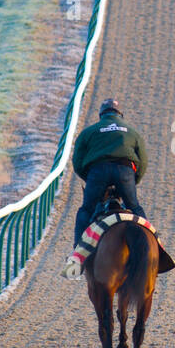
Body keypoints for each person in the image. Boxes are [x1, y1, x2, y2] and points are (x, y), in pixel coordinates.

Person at [71, 98, 148, 249]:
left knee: (86, 209)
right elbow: (143, 162)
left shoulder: (88, 132)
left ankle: (77, 252)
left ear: (101, 115)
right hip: (125, 172)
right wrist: (134, 180)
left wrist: (89, 178)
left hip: (98, 172)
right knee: (135, 208)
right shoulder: (132, 132)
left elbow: (77, 162)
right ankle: (152, 245)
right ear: (120, 115)